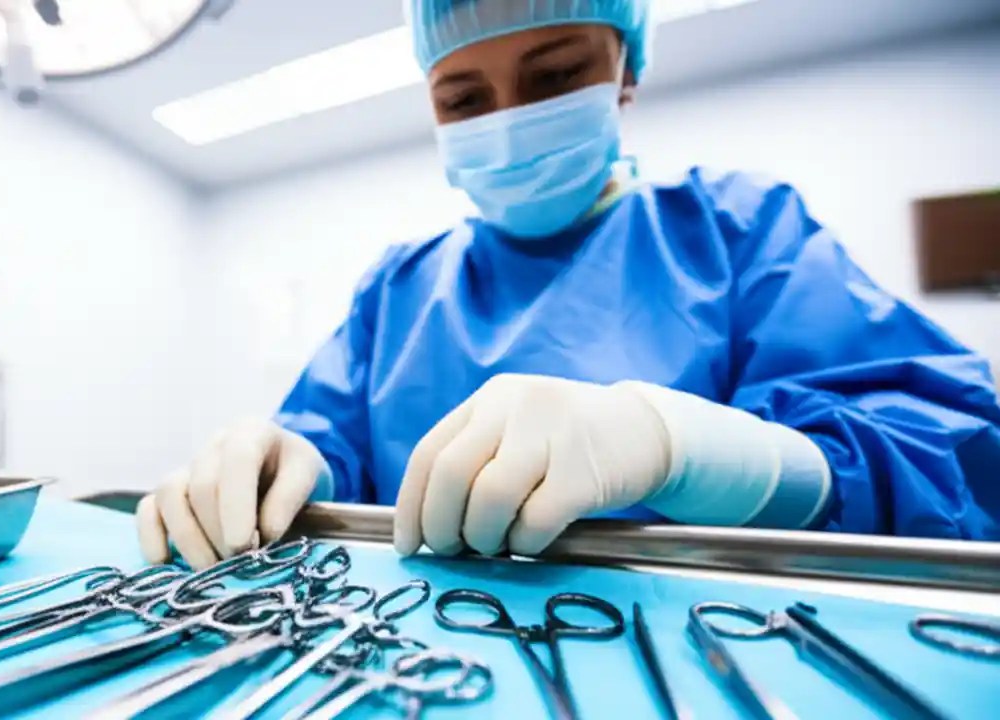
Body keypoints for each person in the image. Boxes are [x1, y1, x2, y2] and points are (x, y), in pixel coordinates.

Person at [138, 0, 1000, 569]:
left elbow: (959, 459)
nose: (509, 121)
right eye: (463, 98)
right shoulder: (399, 288)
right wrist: (280, 468)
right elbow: (328, 446)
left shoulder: (740, 232)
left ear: (626, 75)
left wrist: (683, 447)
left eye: (555, 77)